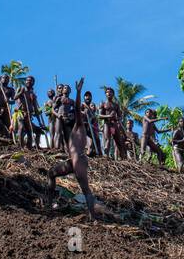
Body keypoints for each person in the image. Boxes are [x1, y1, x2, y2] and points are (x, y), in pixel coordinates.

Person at [47, 78, 97, 219]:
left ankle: (93, 216)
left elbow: (75, 108)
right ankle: (49, 205)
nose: (68, 116)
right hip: (73, 161)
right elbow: (58, 116)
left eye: (70, 115)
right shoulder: (69, 130)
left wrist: (78, 91)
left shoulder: (79, 125)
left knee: (86, 189)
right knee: (51, 173)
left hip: (79, 161)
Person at [98, 87, 128, 160]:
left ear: (113, 94)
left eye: (110, 92)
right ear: (105, 94)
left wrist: (118, 119)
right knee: (107, 139)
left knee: (118, 140)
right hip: (107, 124)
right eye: (107, 92)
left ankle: (123, 157)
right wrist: (109, 116)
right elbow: (99, 115)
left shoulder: (116, 105)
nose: (109, 93)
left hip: (114, 125)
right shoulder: (103, 103)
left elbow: (120, 116)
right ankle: (106, 155)